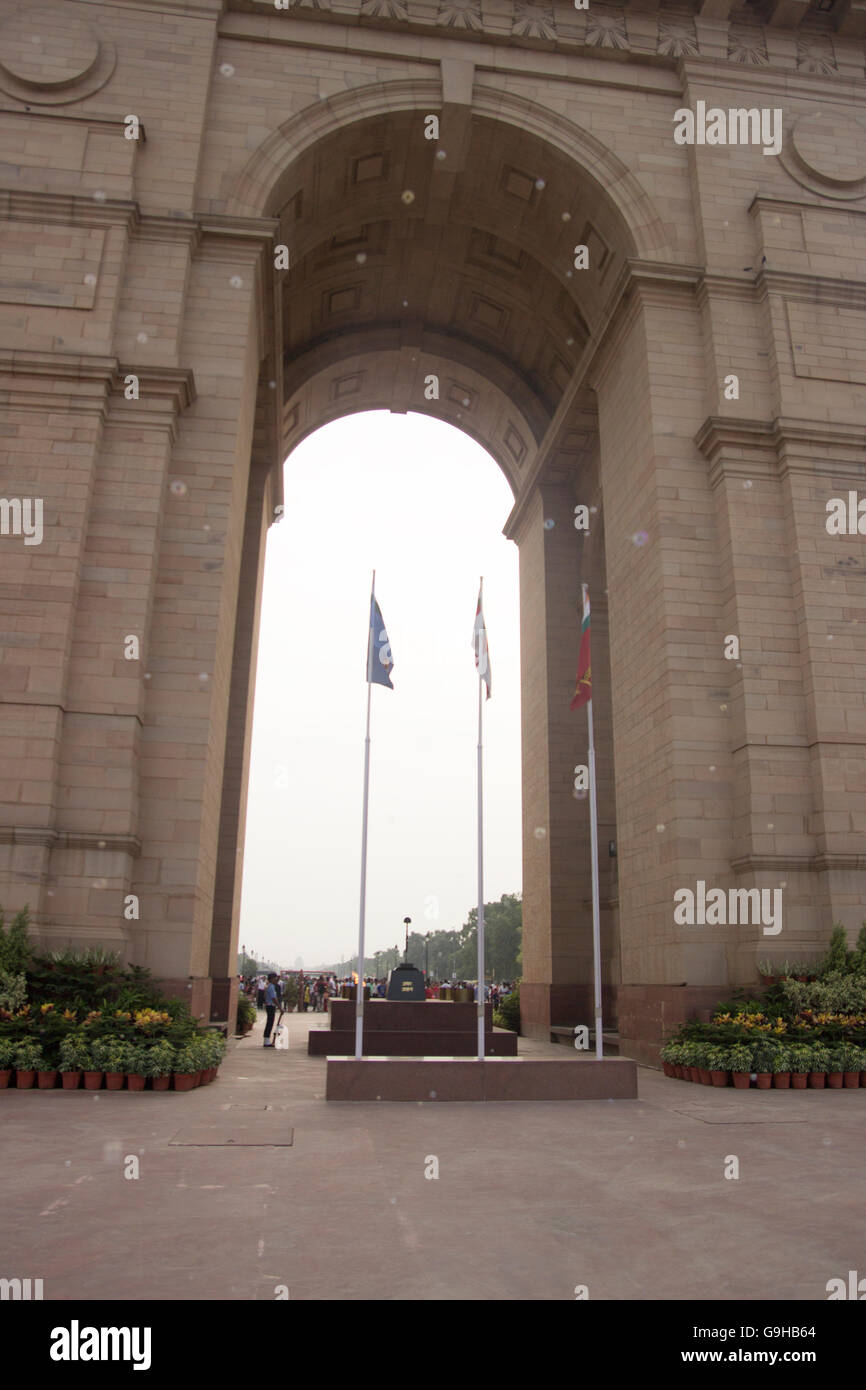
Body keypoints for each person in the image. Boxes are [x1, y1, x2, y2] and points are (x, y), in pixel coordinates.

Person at [263, 972, 279, 1047]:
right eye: (275, 978)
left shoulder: (270, 986)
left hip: (270, 1006)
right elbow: (273, 998)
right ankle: (266, 1041)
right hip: (270, 1006)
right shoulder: (271, 986)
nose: (276, 979)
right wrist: (280, 1007)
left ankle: (267, 1040)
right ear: (272, 979)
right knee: (270, 1023)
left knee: (270, 1023)